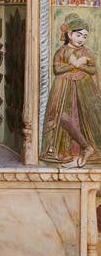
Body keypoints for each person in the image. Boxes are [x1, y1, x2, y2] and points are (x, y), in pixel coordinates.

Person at [41, 13, 101, 167]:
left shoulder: (87, 52)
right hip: (63, 87)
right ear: (69, 34)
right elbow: (57, 69)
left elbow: (93, 69)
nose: (81, 39)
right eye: (78, 35)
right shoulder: (62, 51)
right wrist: (74, 64)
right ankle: (75, 149)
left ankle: (87, 149)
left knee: (84, 116)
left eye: (84, 36)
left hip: (84, 88)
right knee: (60, 116)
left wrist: (82, 65)